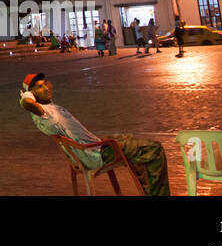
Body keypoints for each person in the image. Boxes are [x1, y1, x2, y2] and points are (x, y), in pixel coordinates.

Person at [20, 72, 171, 195]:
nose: (46, 88)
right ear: (32, 93)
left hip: (93, 148)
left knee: (131, 143)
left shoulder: (48, 107)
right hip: (95, 153)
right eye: (39, 87)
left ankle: (149, 189)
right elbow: (27, 104)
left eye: (46, 83)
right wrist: (27, 95)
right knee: (155, 149)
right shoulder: (43, 113)